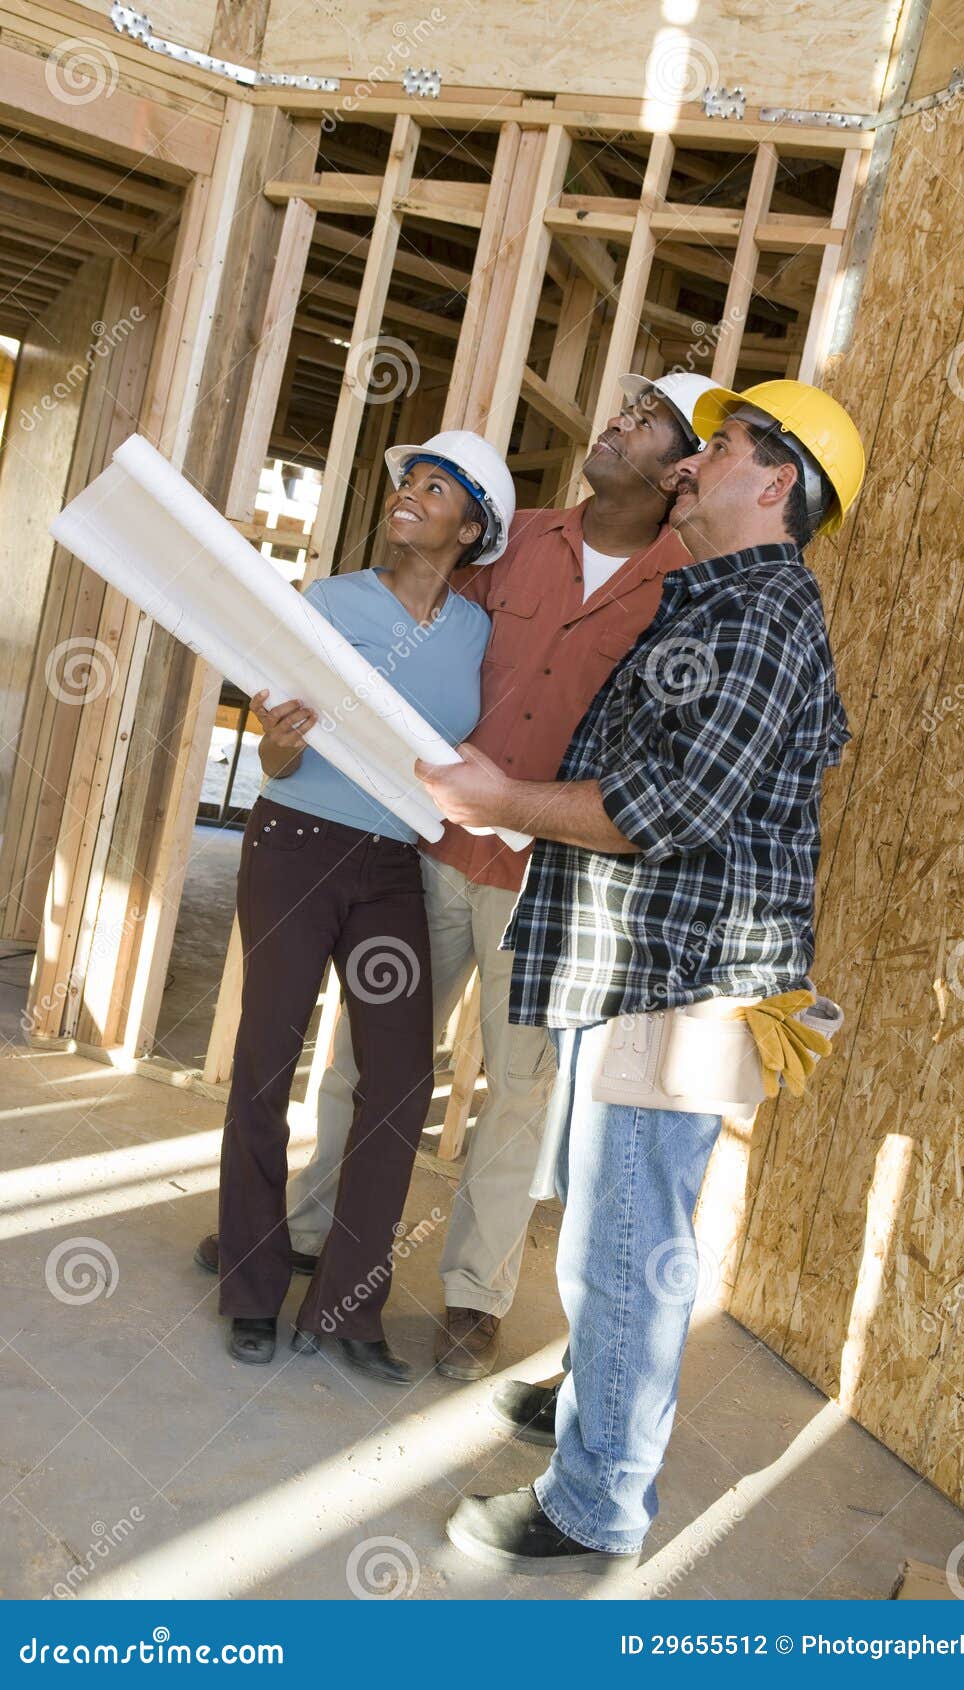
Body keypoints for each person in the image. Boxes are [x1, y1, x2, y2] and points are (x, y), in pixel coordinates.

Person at [416, 380, 866, 1571]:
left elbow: (674, 804)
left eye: (717, 447)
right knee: (609, 1225)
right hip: (640, 969)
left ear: (775, 483)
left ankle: (597, 1499)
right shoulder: (714, 599)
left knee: (621, 1240)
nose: (687, 462)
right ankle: (593, 1404)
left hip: (681, 979)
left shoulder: (758, 615)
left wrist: (503, 802)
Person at [196, 373, 713, 1383]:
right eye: (626, 406)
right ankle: (302, 1234)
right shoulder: (519, 544)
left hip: (549, 874)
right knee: (371, 1063)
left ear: (678, 469)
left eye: (646, 422)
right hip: (427, 848)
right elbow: (420, 652)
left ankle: (473, 1293)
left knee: (518, 1087)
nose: (617, 420)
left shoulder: (677, 586)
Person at [205, 431, 514, 1382]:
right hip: (294, 842)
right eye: (405, 485)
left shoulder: (475, 630)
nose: (408, 496)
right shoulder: (328, 603)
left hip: (392, 864)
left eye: (434, 488)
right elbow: (278, 760)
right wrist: (278, 735)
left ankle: (347, 1306)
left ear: (470, 528)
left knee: (399, 1083)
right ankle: (253, 1290)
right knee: (266, 1059)